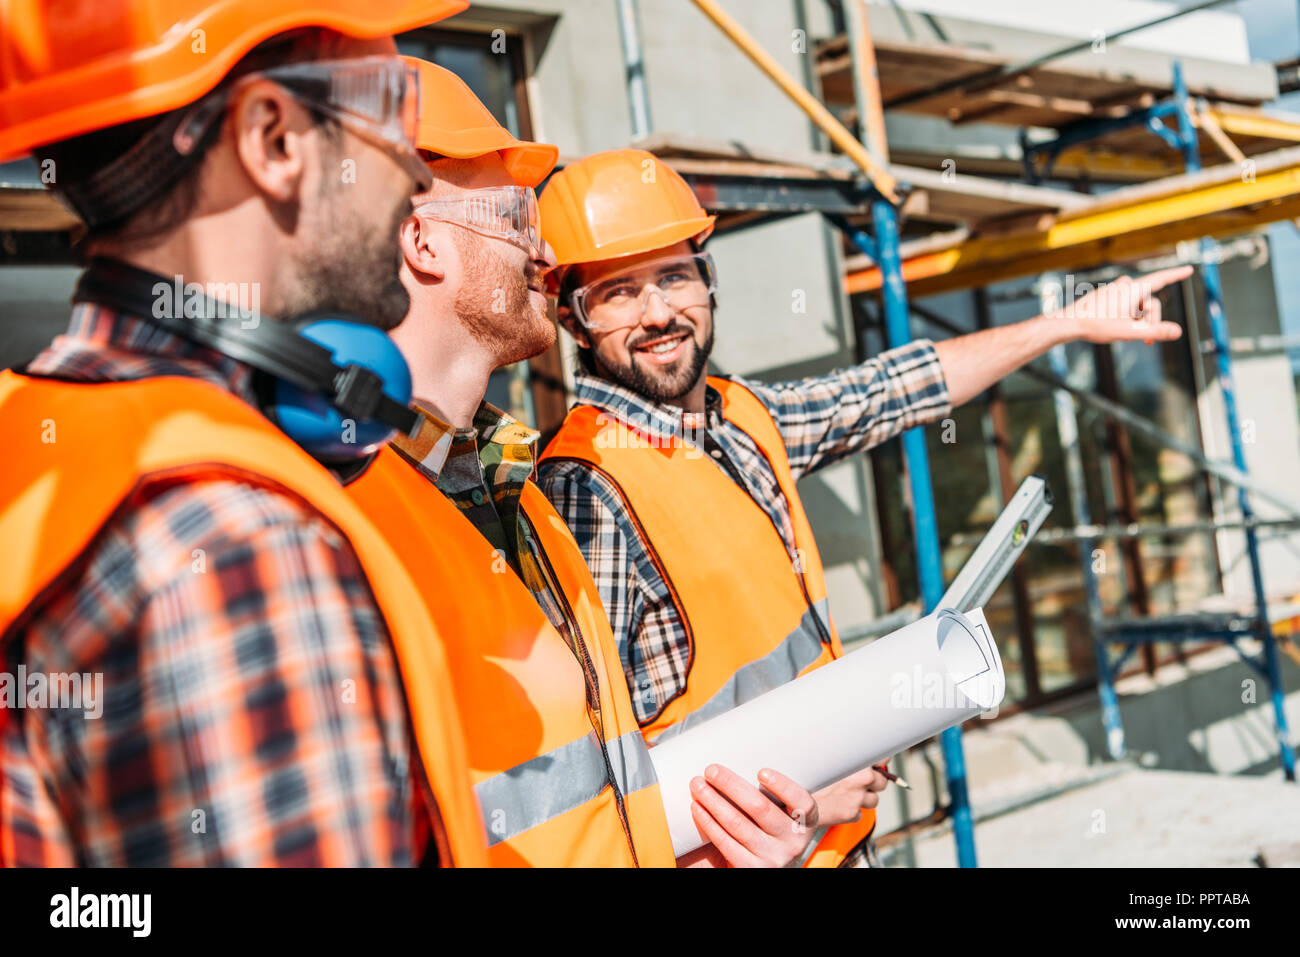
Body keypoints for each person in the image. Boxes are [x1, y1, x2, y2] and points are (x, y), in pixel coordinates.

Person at [536, 148, 1189, 866]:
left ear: (707, 278)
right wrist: (807, 795)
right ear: (574, 319)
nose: (659, 312)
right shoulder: (582, 489)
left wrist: (1064, 324)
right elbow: (608, 785)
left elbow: (892, 388)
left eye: (673, 276)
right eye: (619, 292)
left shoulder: (743, 418)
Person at [0, 0, 487, 867]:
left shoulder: (40, 439)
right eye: (395, 108)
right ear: (275, 138)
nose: (415, 169)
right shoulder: (232, 543)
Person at [349, 60, 817, 868]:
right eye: (513, 214)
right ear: (420, 240)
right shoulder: (347, 519)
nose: (543, 248)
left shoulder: (514, 492)